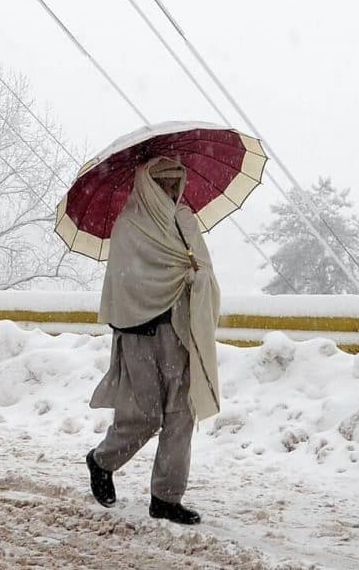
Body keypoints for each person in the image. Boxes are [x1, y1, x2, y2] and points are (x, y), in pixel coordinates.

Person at [85, 156, 221, 525]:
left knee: (181, 415)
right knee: (143, 416)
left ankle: (166, 497)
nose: (171, 190)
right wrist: (170, 276)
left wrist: (195, 278)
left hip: (178, 330)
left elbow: (205, 271)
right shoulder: (129, 227)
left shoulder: (185, 222)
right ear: (146, 184)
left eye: (176, 182)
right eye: (162, 182)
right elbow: (124, 284)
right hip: (139, 335)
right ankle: (102, 461)